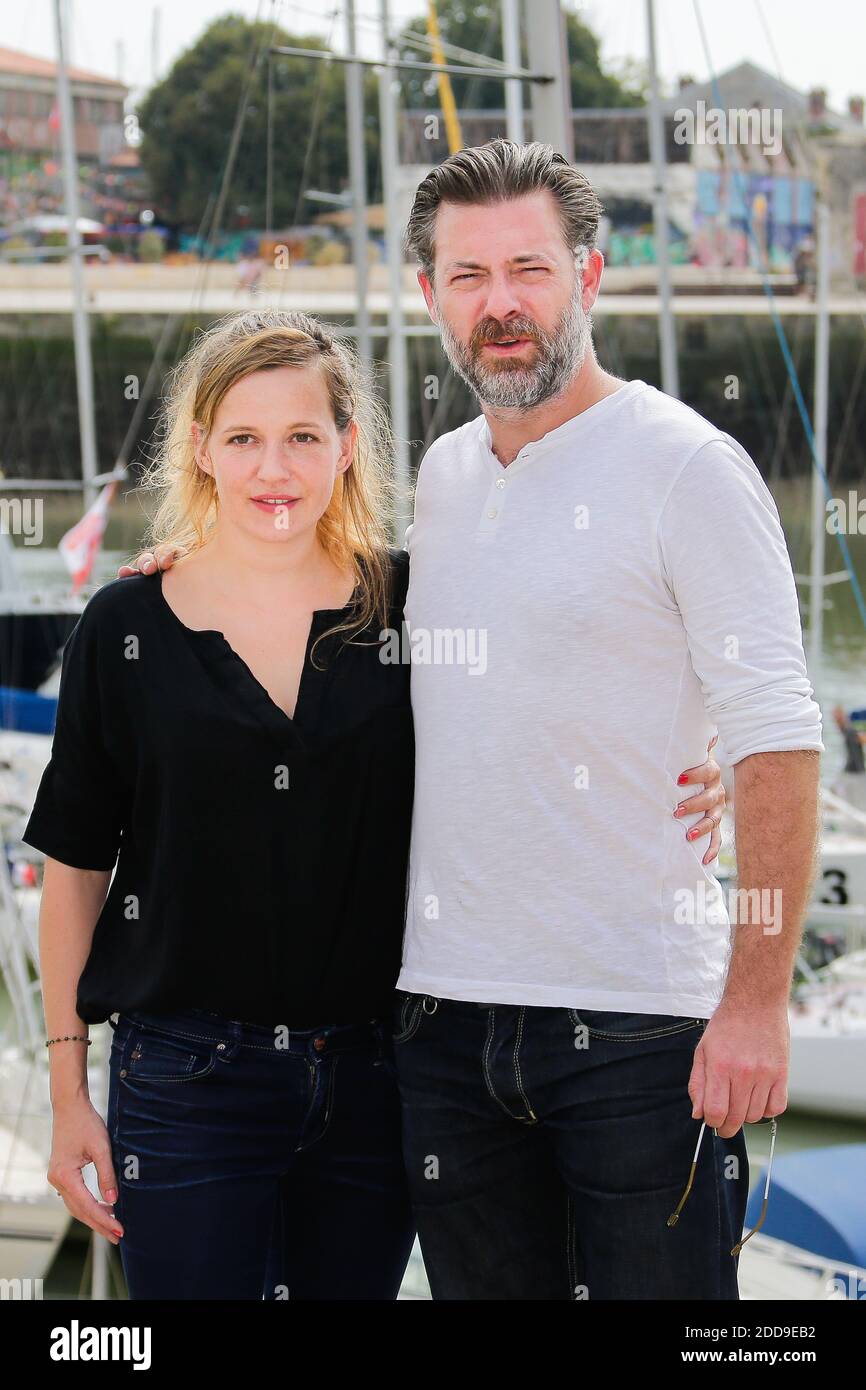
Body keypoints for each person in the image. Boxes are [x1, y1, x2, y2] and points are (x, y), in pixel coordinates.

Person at [118, 144, 788, 1303]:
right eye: (467, 275)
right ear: (428, 296)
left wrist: (755, 1002)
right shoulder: (441, 475)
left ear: (588, 273)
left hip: (637, 1029)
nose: (501, 304)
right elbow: (337, 589)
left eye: (528, 269)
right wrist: (198, 564)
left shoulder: (686, 466)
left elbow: (777, 732)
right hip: (439, 1027)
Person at [24, 310, 418, 1300]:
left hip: (379, 1077)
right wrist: (69, 1092)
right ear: (200, 449)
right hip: (185, 1081)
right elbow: (73, 870)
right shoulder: (126, 625)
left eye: (301, 436)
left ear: (347, 447)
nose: (271, 467)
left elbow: (544, 726)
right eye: (241, 437)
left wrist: (698, 755)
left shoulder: (416, 610)